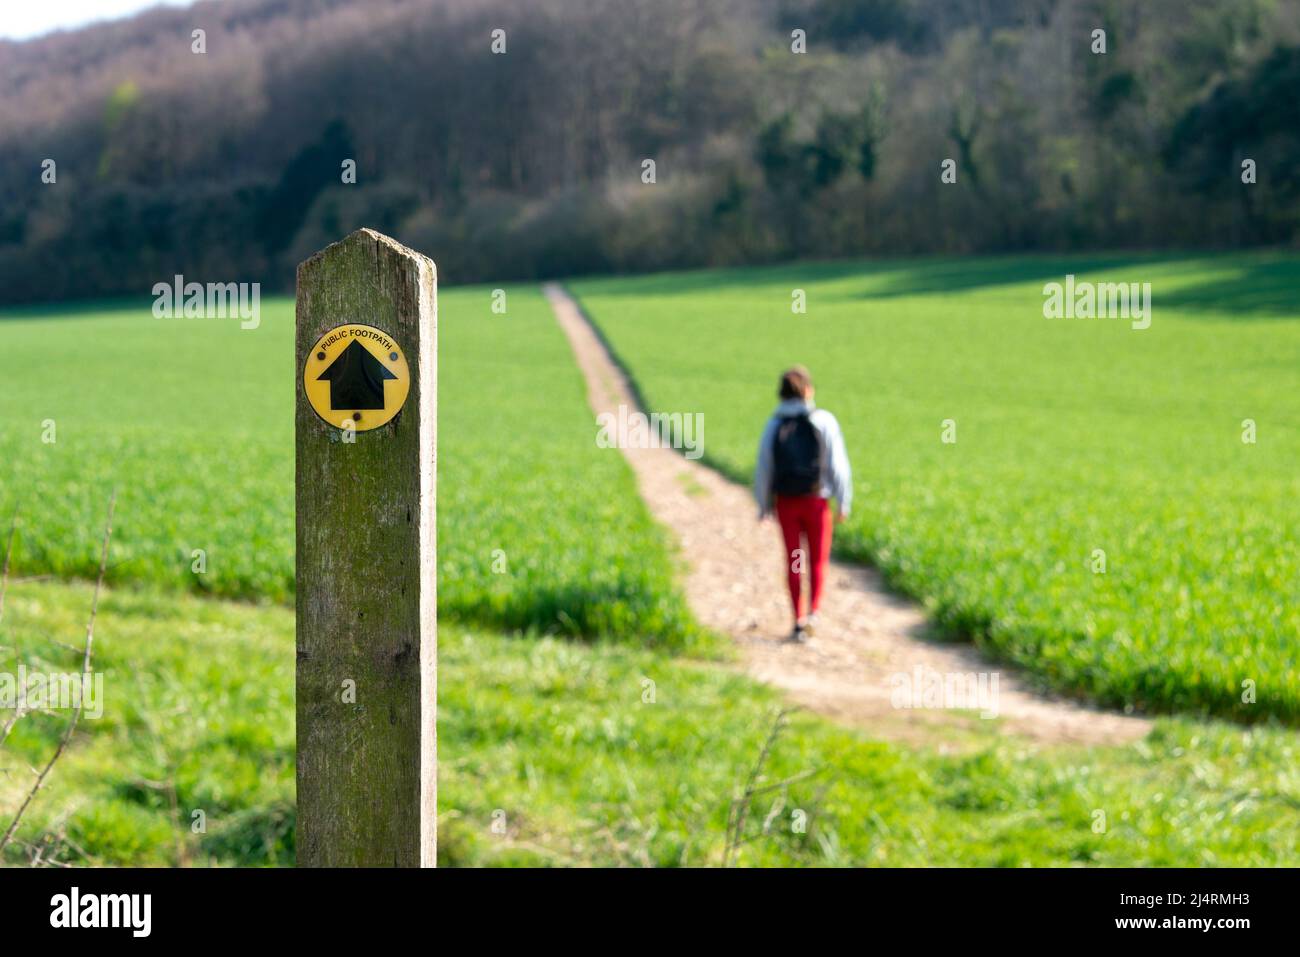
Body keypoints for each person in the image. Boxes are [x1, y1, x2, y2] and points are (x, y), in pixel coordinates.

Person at [753, 366, 852, 642]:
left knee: (795, 561)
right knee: (817, 560)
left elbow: (764, 468)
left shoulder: (774, 425)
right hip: (817, 502)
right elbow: (838, 466)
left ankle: (797, 619)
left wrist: (763, 505)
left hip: (787, 504)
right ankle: (814, 613)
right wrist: (844, 501)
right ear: (808, 390)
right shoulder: (824, 421)